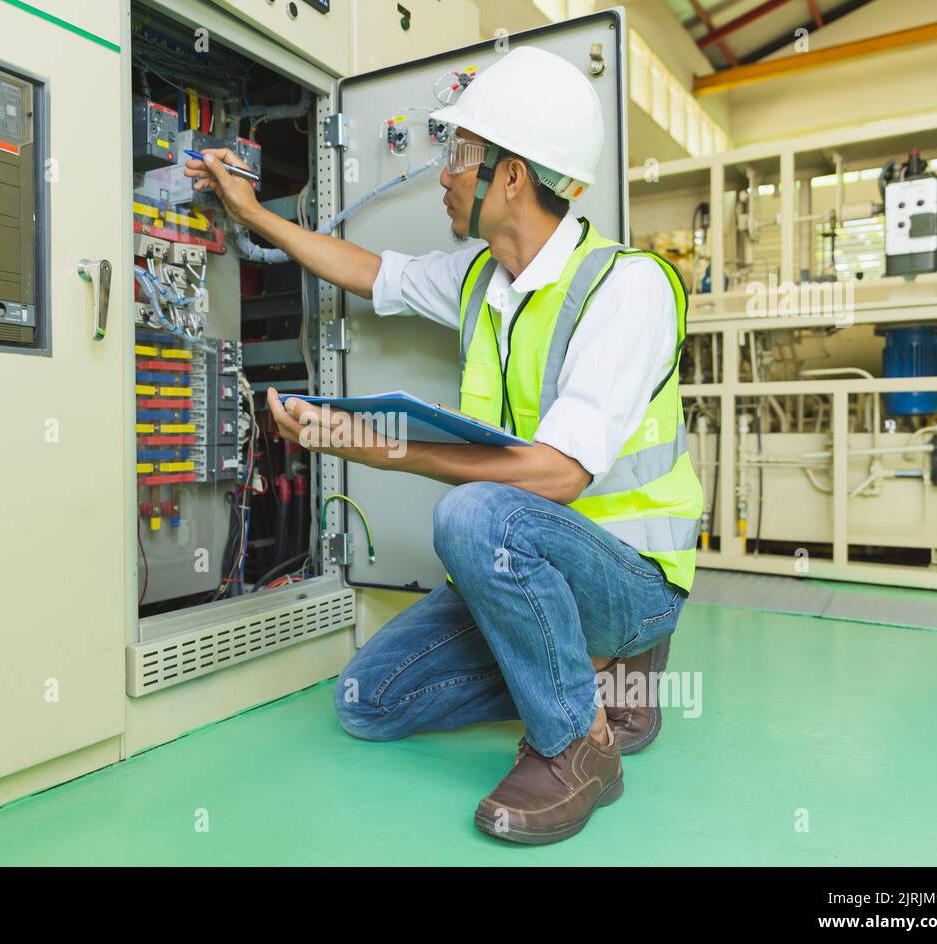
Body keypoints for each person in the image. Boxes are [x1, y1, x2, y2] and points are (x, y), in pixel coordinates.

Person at [184, 45, 701, 845]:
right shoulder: (478, 278)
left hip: (629, 578)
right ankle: (593, 678)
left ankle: (577, 747)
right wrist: (253, 215)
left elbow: (559, 476)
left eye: (461, 154)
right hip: (535, 569)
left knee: (473, 517)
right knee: (368, 702)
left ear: (514, 176)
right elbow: (371, 271)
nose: (445, 175)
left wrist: (368, 444)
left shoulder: (623, 287)